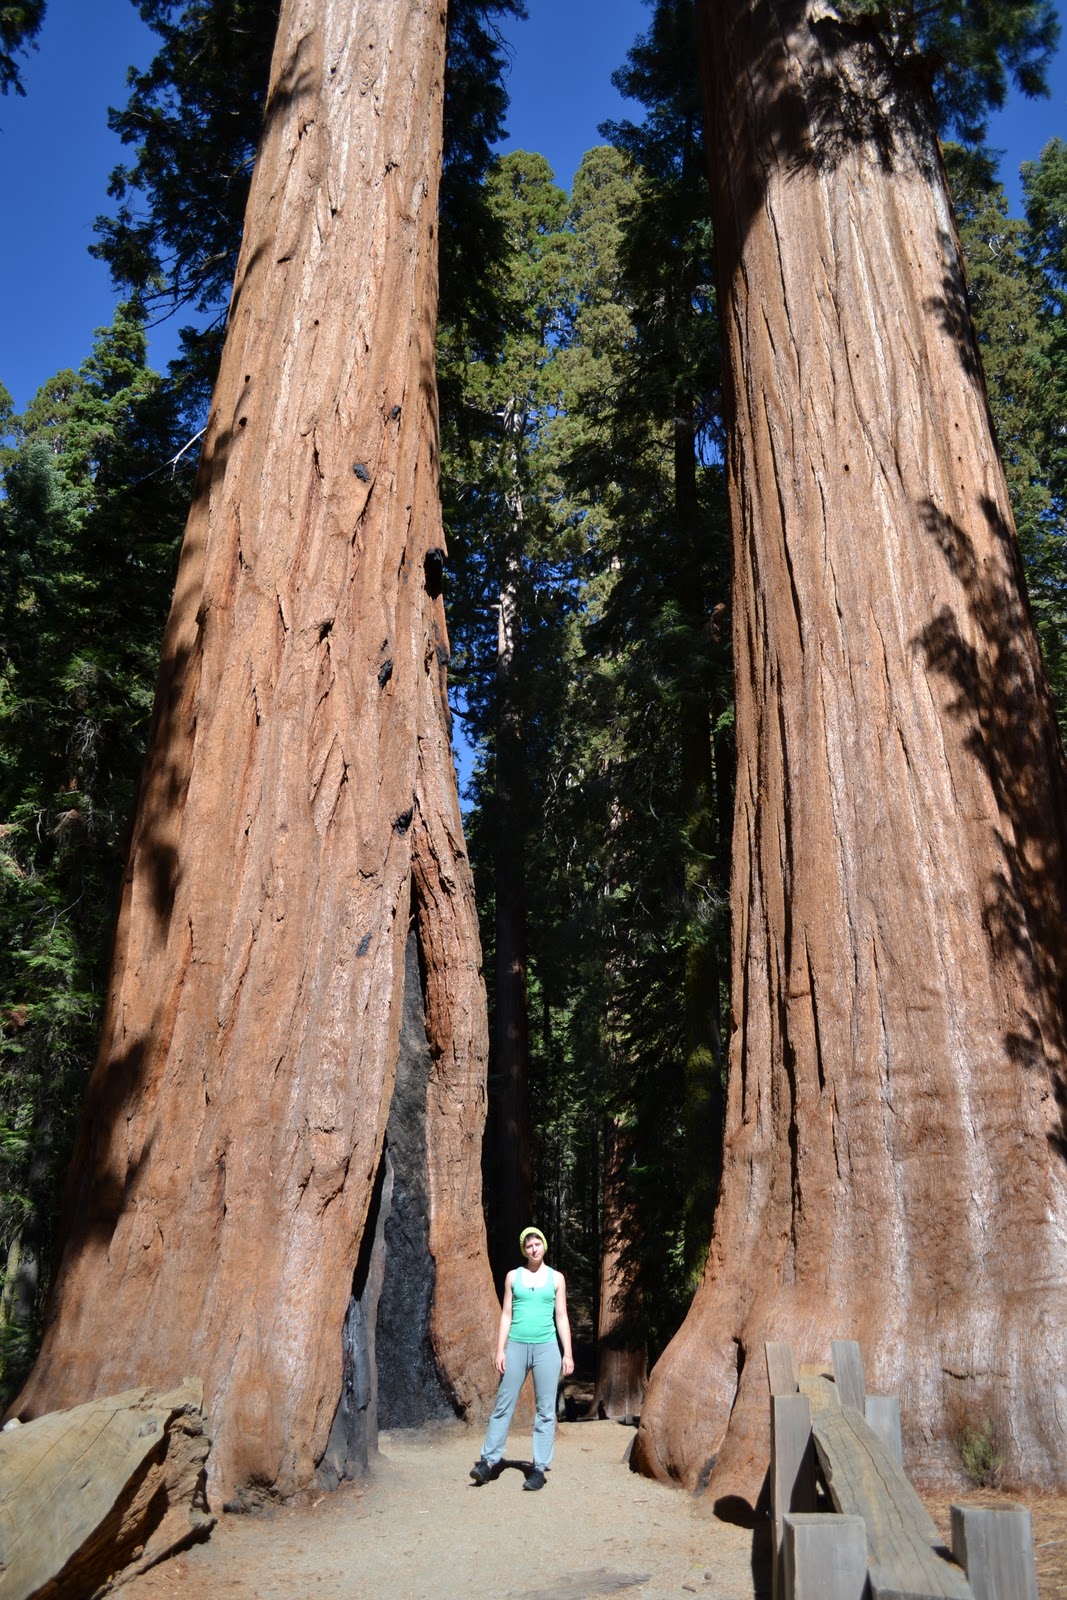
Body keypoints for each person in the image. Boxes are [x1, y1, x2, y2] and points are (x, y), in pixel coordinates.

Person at [469, 1226, 574, 1491]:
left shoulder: (556, 1278)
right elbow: (506, 1314)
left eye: (537, 1243)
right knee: (504, 1403)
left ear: (544, 1246)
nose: (534, 1248)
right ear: (523, 1249)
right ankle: (488, 1462)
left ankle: (539, 1469)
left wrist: (567, 1352)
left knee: (545, 1409)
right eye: (528, 1245)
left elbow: (561, 1316)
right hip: (515, 1346)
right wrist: (499, 1349)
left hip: (547, 1348)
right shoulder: (513, 1277)